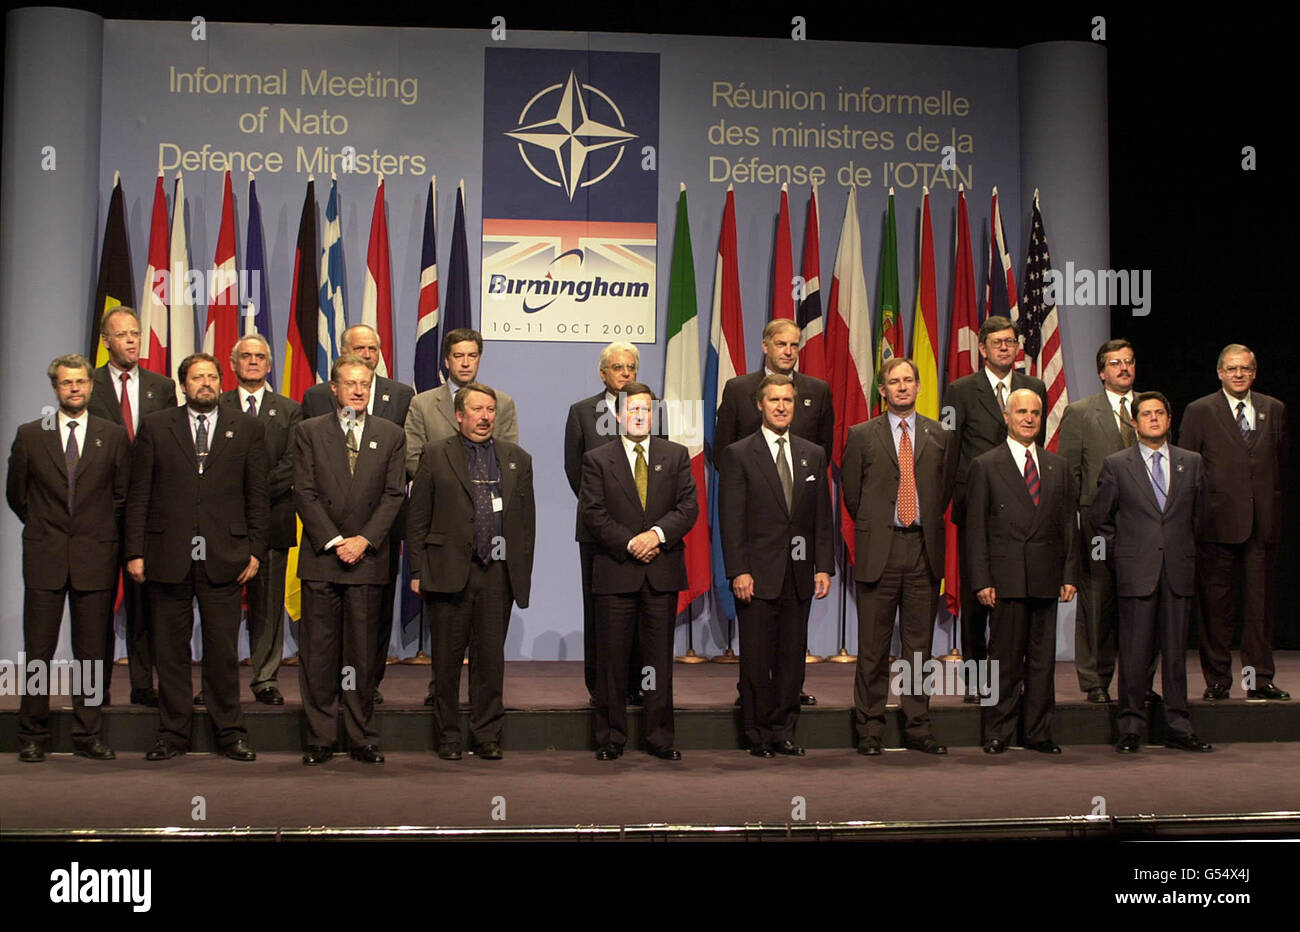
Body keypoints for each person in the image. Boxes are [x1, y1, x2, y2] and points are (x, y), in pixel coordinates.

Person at [125, 353, 267, 761]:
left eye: (211, 376)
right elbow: (139, 496)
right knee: (170, 651)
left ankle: (230, 732)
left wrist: (255, 549)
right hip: (167, 555)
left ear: (221, 382)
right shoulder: (156, 426)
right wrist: (135, 551)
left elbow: (255, 495)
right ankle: (173, 734)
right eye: (196, 377)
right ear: (182, 384)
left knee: (223, 651)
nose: (204, 383)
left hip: (227, 556)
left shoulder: (247, 428)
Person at [7, 354, 130, 762]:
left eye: (80, 382)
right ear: (55, 388)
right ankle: (32, 734)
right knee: (38, 650)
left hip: (95, 557)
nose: (74, 389)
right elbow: (17, 495)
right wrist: (46, 529)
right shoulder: (30, 434)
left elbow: (121, 496)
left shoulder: (112, 436)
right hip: (45, 557)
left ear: (91, 387)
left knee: (92, 652)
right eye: (66, 383)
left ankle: (87, 733)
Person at [408, 382, 534, 760]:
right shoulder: (435, 454)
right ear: (459, 415)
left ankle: (486, 735)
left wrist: (519, 575)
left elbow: (525, 525)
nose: (484, 417)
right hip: (448, 570)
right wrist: (417, 569)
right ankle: (447, 736)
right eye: (477, 410)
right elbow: (417, 518)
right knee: (446, 661)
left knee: (490, 660)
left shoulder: (517, 458)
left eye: (490, 410)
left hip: (497, 574)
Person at [293, 354, 406, 765]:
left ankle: (363, 738)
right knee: (320, 656)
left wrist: (364, 541)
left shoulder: (390, 434)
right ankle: (320, 738)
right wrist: (336, 540)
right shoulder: (308, 432)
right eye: (350, 383)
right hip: (323, 559)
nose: (358, 390)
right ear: (334, 389)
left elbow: (395, 495)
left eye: (365, 384)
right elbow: (303, 491)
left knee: (360, 657)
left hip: (367, 561)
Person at [841, 358, 956, 756]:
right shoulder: (860, 435)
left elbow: (943, 493)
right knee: (872, 648)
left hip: (923, 551)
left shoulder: (940, 434)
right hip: (880, 552)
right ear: (883, 391)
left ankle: (918, 726)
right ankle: (870, 728)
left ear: (919, 386)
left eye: (908, 380)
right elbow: (852, 496)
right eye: (894, 381)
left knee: (918, 649)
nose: (903, 387)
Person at [714, 318, 831, 705]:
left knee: (792, 637)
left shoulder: (817, 390)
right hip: (757, 530)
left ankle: (788, 697)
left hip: (799, 539)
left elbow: (822, 459)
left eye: (795, 344)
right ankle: (753, 701)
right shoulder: (738, 389)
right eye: (781, 343)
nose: (788, 351)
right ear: (765, 345)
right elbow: (724, 457)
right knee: (758, 637)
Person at [580, 382, 698, 761]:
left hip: (660, 572)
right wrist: (632, 542)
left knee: (657, 660)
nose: (639, 416)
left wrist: (656, 536)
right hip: (617, 571)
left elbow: (687, 507)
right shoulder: (597, 459)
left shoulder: (676, 455)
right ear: (618, 415)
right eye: (632, 410)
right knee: (612, 661)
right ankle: (611, 737)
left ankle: (659, 736)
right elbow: (593, 513)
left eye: (646, 410)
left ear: (655, 414)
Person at [405, 327, 519, 705]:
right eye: (459, 356)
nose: (466, 362)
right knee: (448, 643)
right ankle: (443, 704)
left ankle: (485, 716)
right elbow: (411, 458)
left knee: (487, 647)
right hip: (443, 526)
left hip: (489, 538)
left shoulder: (500, 401)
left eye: (473, 356)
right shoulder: (423, 404)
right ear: (447, 360)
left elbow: (508, 461)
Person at [1093, 392, 1212, 752]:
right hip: (1136, 571)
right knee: (1134, 652)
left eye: (1160, 413)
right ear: (1134, 422)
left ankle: (1178, 725)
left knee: (1175, 653)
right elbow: (1100, 520)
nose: (1154, 419)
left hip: (1178, 570)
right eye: (1146, 414)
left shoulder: (1191, 463)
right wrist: (1121, 557)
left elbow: (1202, 517)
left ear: (1169, 418)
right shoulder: (1116, 464)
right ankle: (1130, 726)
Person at [940, 316, 1048, 700]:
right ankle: (974, 680)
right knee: (976, 597)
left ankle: (1011, 680)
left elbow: (1040, 444)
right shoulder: (961, 390)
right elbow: (950, 449)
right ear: (982, 349)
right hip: (978, 507)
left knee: (1017, 595)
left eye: (1010, 341)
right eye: (997, 342)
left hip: (1024, 505)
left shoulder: (1034, 387)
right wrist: (951, 503)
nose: (1005, 347)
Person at [967, 389, 1078, 754]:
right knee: (1004, 661)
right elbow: (976, 531)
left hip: (1046, 577)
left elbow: (1067, 527)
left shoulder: (1057, 466)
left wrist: (1069, 574)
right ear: (1007, 417)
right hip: (1005, 580)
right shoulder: (985, 465)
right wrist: (982, 580)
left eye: (1035, 413)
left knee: (1043, 662)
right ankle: (998, 731)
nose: (1029, 418)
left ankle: (1038, 733)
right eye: (1021, 412)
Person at [1179, 345, 1289, 701]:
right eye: (1232, 369)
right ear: (1219, 373)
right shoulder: (1200, 411)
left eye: (1245, 369)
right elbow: (1188, 468)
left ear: (1254, 373)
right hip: (1216, 525)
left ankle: (1258, 679)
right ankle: (1218, 680)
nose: (1238, 374)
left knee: (1259, 608)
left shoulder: (1274, 409)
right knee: (1217, 607)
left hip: (1261, 524)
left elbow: (1280, 462)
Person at [88, 307, 178, 707]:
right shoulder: (87, 385)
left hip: (148, 512)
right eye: (121, 334)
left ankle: (144, 686)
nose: (130, 341)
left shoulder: (161, 387)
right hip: (101, 513)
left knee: (145, 605)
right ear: (106, 341)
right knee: (96, 607)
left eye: (135, 334)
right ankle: (96, 687)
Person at [563, 341, 661, 705]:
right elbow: (575, 471)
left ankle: (640, 685)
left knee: (644, 613)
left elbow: (662, 469)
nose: (625, 374)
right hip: (598, 533)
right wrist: (607, 521)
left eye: (631, 368)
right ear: (603, 373)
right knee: (599, 612)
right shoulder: (582, 412)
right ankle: (601, 687)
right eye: (618, 368)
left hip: (647, 533)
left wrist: (644, 527)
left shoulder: (654, 408)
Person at [218, 334, 301, 705]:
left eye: (260, 357)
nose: (253, 362)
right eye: (246, 356)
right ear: (233, 364)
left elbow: (292, 464)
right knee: (221, 604)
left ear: (270, 365)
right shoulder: (215, 406)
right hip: (223, 524)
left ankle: (266, 678)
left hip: (273, 519)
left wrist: (252, 493)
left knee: (268, 605)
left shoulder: (289, 410)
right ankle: (217, 680)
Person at [1058, 339, 1139, 703]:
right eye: (1115, 363)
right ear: (1101, 372)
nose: (1124, 368)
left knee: (1141, 606)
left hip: (1145, 526)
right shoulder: (1080, 412)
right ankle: (1095, 681)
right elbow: (1070, 476)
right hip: (1098, 526)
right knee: (1097, 604)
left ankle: (1139, 682)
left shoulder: (1150, 408)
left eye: (1129, 361)